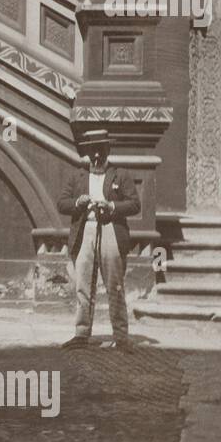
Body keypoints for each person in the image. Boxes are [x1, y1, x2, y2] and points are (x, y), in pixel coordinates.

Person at [57, 129, 139, 351]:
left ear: (108, 150)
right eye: (93, 151)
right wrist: (78, 202)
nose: (96, 157)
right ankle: (81, 334)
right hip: (85, 231)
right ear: (87, 152)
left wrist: (111, 206)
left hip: (111, 229)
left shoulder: (120, 175)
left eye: (100, 151)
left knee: (115, 285)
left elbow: (134, 204)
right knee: (83, 285)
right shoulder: (78, 176)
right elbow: (62, 203)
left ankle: (121, 337)